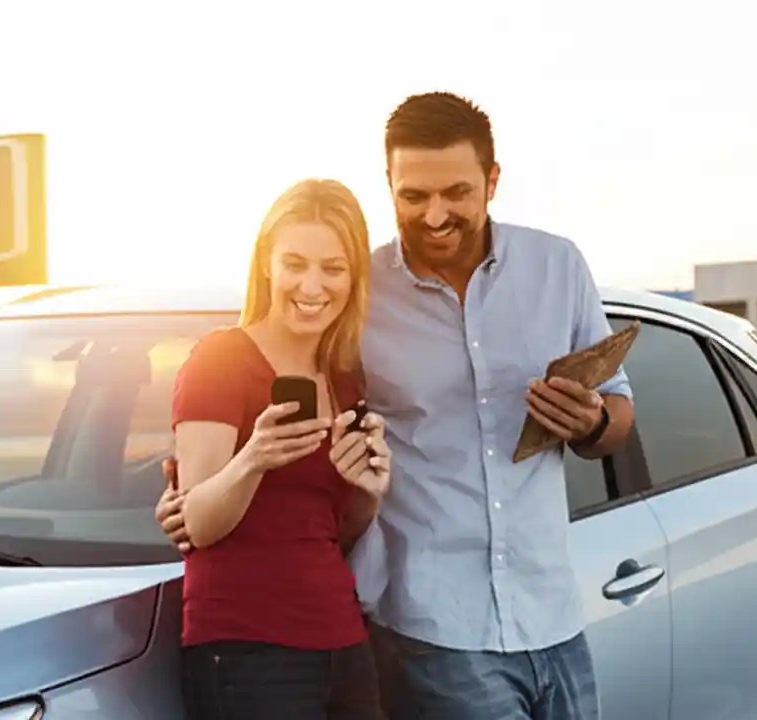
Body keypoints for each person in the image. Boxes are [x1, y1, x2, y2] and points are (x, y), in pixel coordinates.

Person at [158, 92, 634, 720]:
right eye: (414, 196)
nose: (435, 215)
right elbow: (214, 490)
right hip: (429, 625)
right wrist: (212, 484)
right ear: (389, 185)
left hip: (552, 611)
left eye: (456, 193)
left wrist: (593, 422)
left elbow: (619, 413)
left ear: (492, 182)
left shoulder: (557, 267)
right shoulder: (356, 298)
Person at [164, 177, 393, 720]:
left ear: (354, 277)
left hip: (341, 639)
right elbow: (196, 524)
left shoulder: (343, 379)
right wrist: (254, 458)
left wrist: (370, 490)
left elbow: (333, 532)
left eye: (333, 268)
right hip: (247, 650)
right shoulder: (220, 359)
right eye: (295, 263)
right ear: (266, 263)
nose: (312, 286)